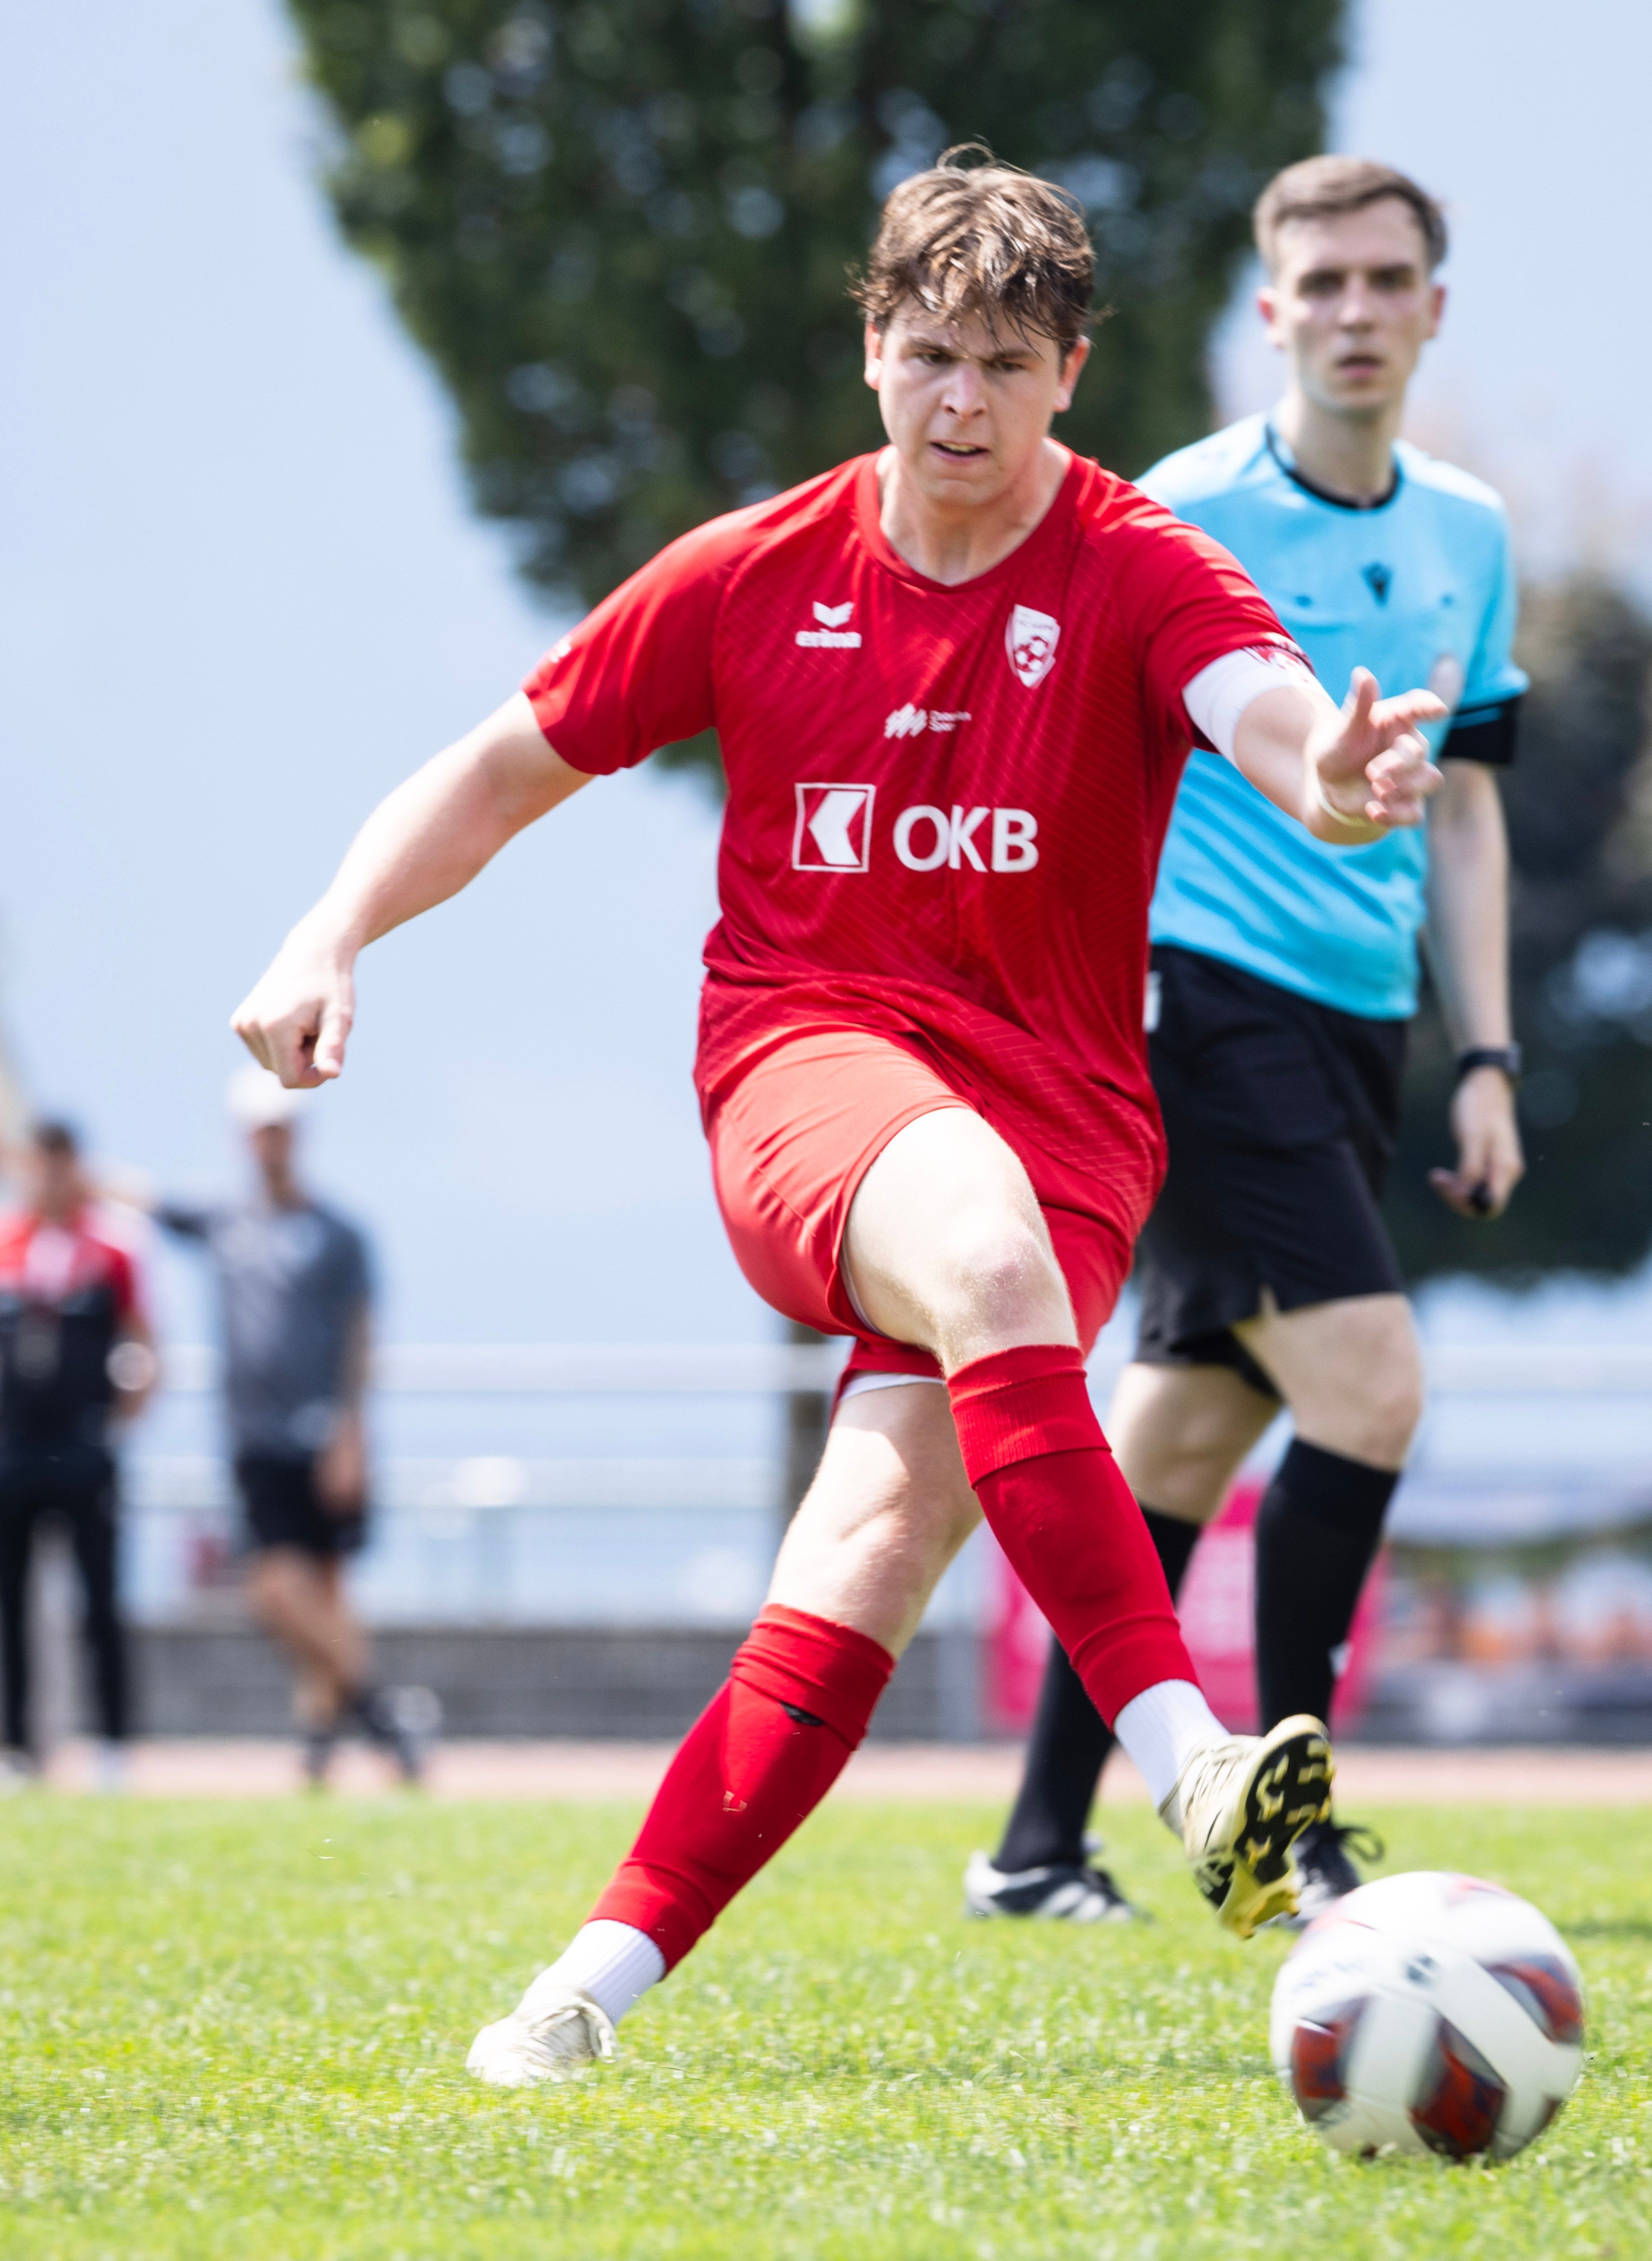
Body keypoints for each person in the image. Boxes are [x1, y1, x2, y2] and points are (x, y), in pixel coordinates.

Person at [231, 150, 1445, 2089]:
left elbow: (1271, 719)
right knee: (977, 1248)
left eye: (1006, 365)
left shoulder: (1138, 566)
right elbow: (501, 769)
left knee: (867, 1548)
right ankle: (1190, 1763)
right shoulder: (754, 571)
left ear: (1070, 375)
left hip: (1071, 1120)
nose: (962, 401)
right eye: (929, 354)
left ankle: (580, 1995)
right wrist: (331, 928)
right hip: (809, 1063)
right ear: (872, 347)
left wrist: (1347, 784)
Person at [967, 157, 1531, 1925]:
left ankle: (1034, 1850)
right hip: (1198, 1004)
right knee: (1371, 1386)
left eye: (1386, 279)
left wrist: (1488, 1056)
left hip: (1363, 1029)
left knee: (1179, 1445)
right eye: (1322, 281)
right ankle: (1291, 1826)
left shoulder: (1469, 533)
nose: (1355, 310)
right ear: (1270, 309)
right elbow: (1055, 750)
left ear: (1432, 308)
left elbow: (1467, 814)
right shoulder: (1179, 513)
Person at [157, 1069, 428, 1789]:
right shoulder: (223, 1222)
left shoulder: (338, 1233)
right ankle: (381, 1712)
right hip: (256, 1437)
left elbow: (360, 1335)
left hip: (324, 1434)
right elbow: (137, 1199)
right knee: (275, 1589)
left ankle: (319, 1740)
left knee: (326, 1588)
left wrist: (352, 1431)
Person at [0, 1117, 156, 1791]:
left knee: (100, 1602)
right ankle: (13, 1747)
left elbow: (145, 1344)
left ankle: (111, 1745)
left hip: (83, 1449)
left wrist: (117, 1423)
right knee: (7, 1607)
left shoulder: (113, 1247)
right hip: (10, 1450)